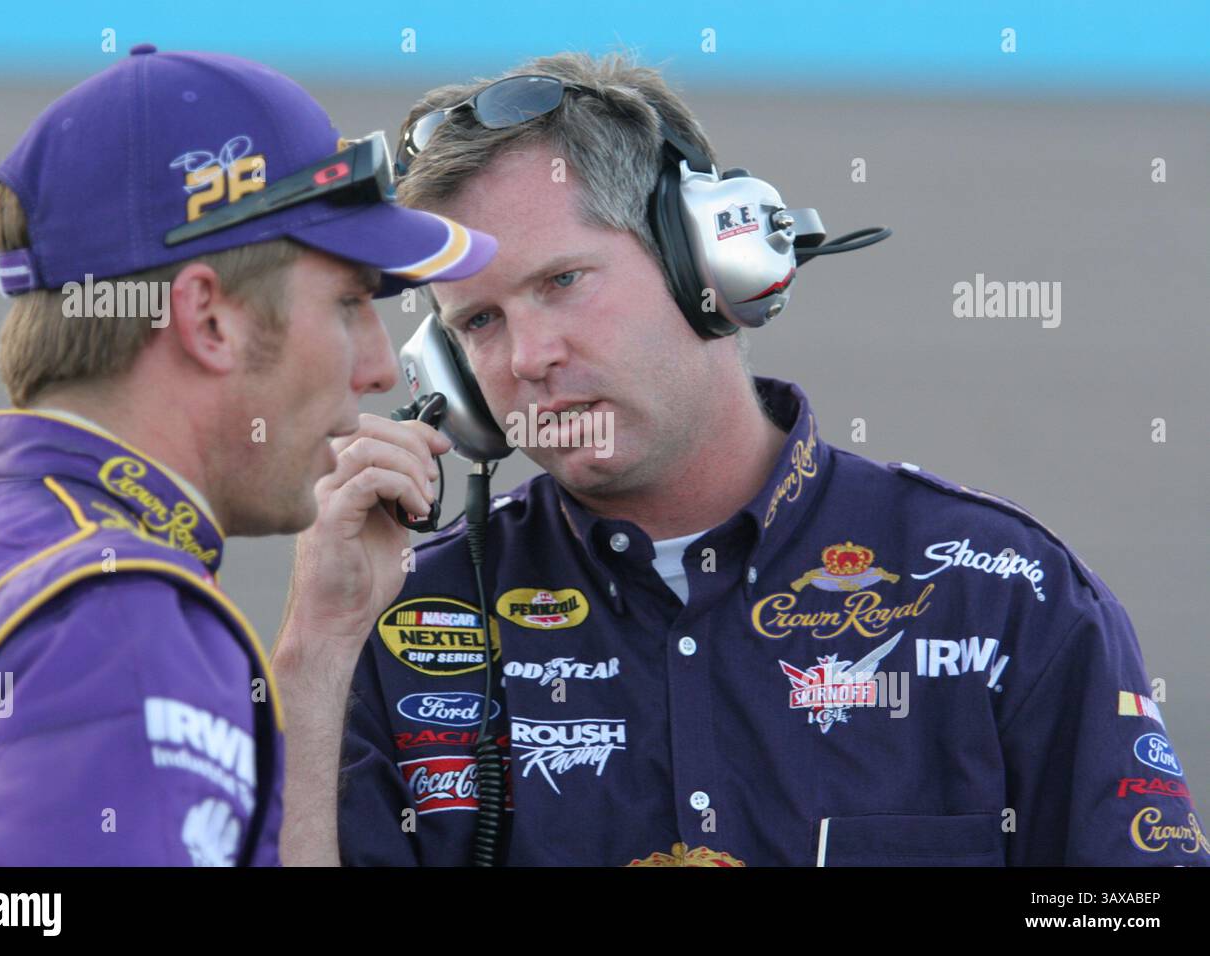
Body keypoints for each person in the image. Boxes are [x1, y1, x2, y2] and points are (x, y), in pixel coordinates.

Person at [281, 52, 1209, 865]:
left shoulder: (1003, 593)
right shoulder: (404, 624)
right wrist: (316, 652)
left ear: (713, 267)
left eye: (562, 282)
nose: (527, 359)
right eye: (479, 322)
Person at [0, 44, 493, 866]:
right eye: (351, 303)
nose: (376, 365)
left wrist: (321, 645)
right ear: (209, 321)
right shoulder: (122, 627)